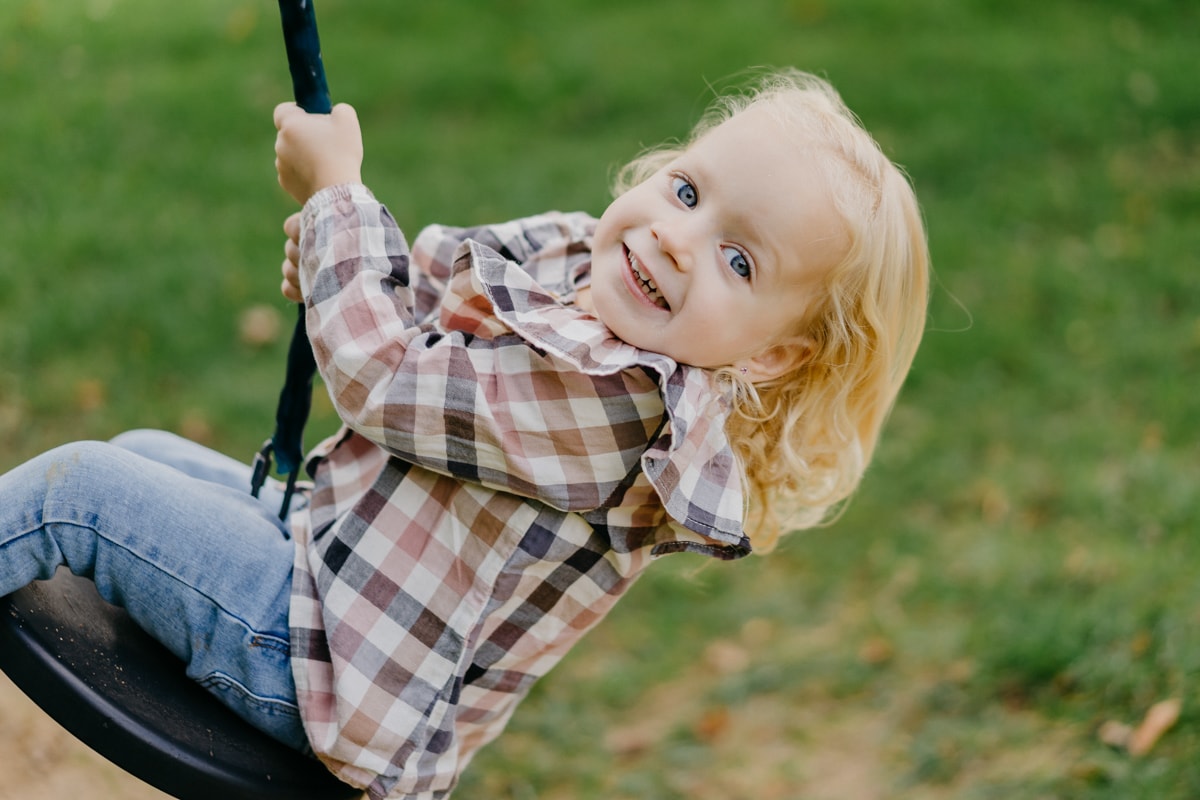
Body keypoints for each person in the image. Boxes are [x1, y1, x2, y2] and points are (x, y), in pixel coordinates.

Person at [0, 69, 929, 799]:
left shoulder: (623, 412)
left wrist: (337, 201)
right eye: (687, 191)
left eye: (738, 259)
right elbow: (430, 288)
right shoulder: (590, 262)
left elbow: (384, 379)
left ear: (773, 356)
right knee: (141, 453)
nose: (678, 238)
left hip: (325, 673)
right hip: (328, 556)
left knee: (81, 490)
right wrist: (342, 266)